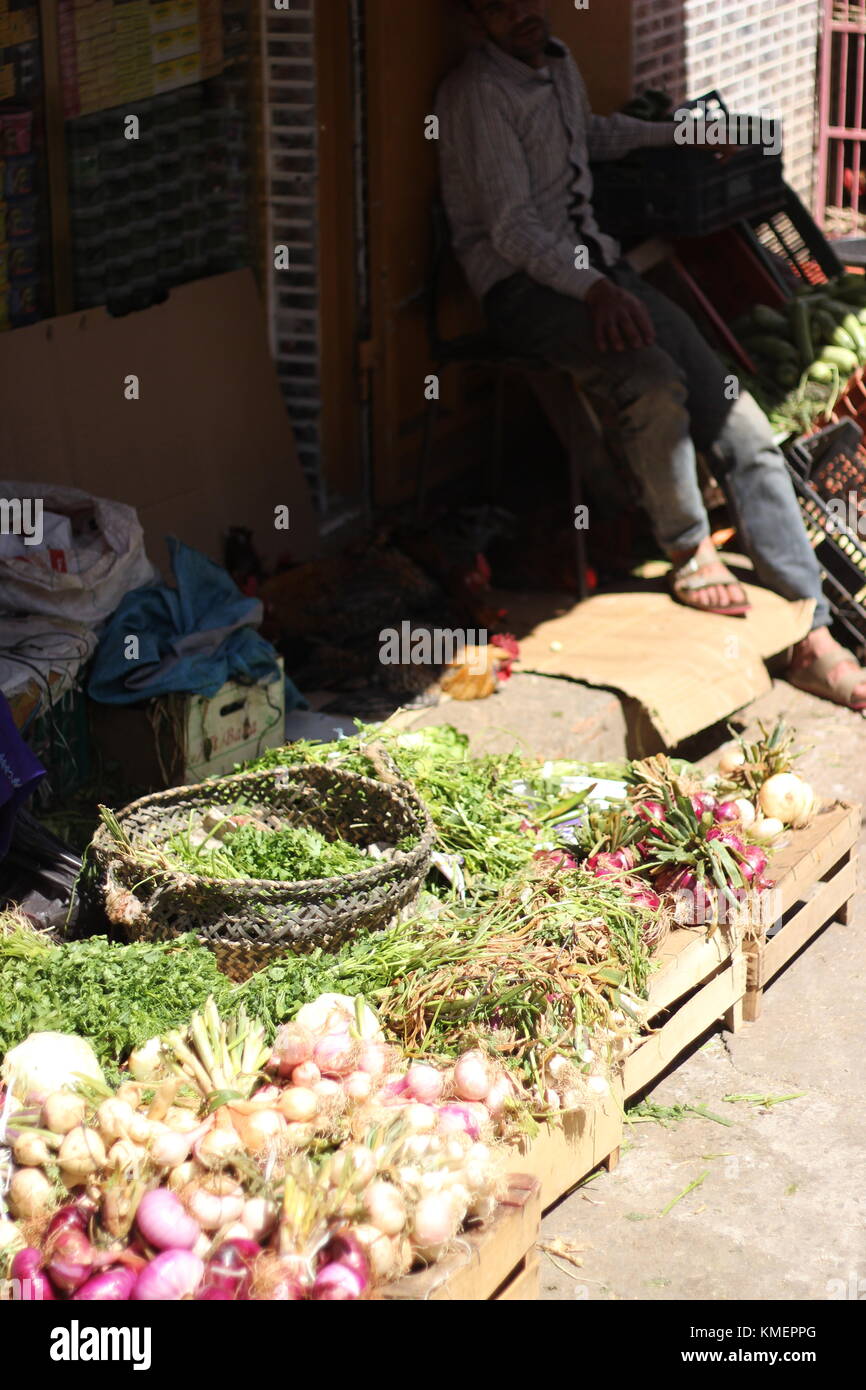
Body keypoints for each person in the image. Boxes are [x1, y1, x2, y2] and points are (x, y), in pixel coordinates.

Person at [436, 0, 866, 711]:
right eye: (499, 3)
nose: (522, 13)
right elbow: (511, 229)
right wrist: (596, 290)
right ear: (475, 15)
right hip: (525, 290)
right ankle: (689, 548)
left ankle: (812, 636)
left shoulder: (560, 62)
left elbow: (592, 136)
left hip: (601, 273)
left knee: (743, 422)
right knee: (652, 381)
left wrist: (676, 136)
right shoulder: (475, 95)